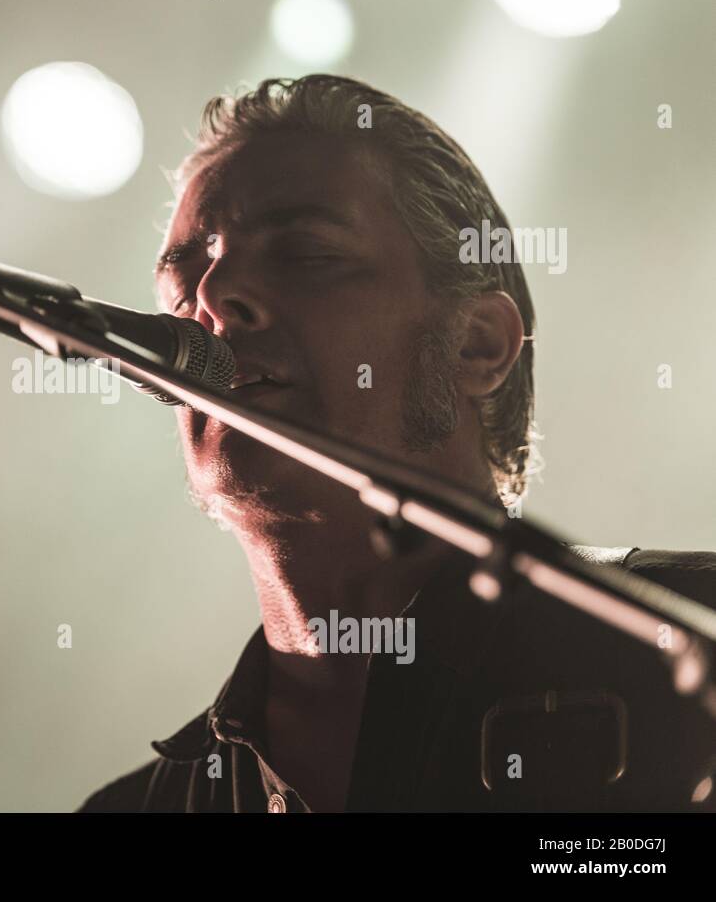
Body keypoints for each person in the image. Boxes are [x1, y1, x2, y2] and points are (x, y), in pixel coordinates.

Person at [77, 75, 715, 812]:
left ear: (478, 345)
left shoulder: (691, 633)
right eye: (184, 284)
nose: (214, 301)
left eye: (306, 254)